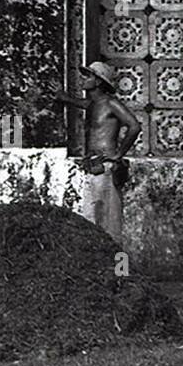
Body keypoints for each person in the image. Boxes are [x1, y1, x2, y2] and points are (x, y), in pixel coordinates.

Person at [53, 62, 140, 239]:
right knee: (91, 222)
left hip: (105, 169)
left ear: (99, 82)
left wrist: (118, 154)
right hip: (92, 168)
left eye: (88, 76)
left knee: (109, 225)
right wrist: (65, 98)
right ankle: (99, 265)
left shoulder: (111, 103)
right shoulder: (94, 104)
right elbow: (85, 104)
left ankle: (117, 267)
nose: (83, 79)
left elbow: (134, 126)